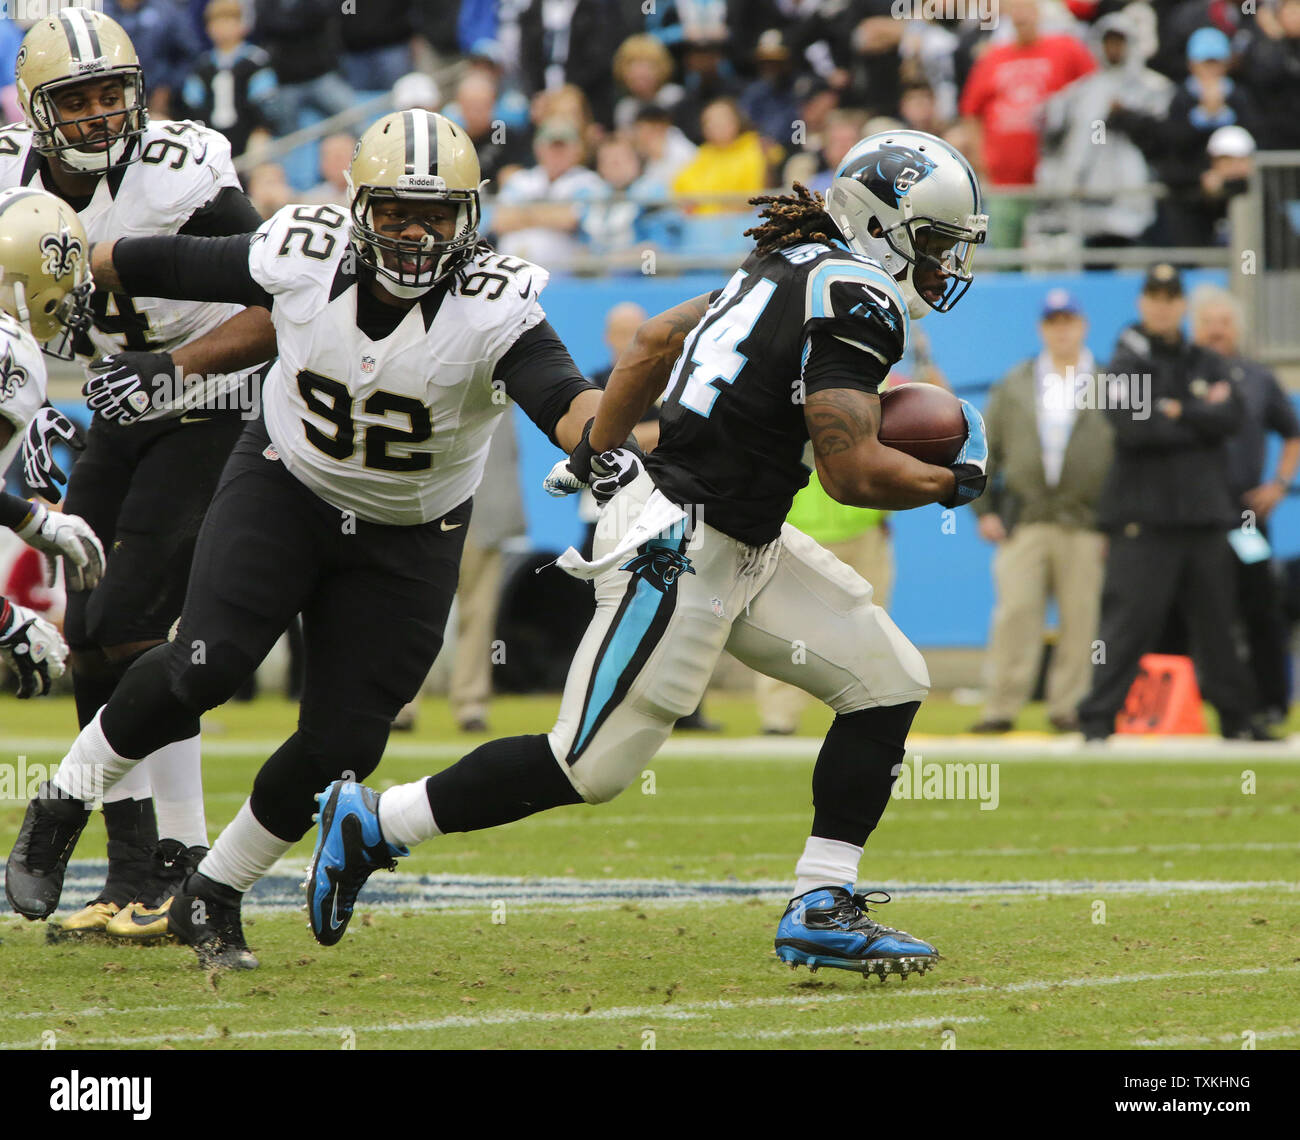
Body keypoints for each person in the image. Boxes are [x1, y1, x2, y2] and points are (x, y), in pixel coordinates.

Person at [307, 130, 991, 980]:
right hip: (682, 543)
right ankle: (377, 820)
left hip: (743, 538)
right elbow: (850, 472)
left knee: (889, 681)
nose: (939, 265)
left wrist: (597, 449)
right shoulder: (855, 294)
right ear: (885, 223)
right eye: (931, 242)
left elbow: (651, 342)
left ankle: (822, 901)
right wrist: (954, 479)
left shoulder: (781, 264)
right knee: (588, 764)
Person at [7, 109, 605, 971]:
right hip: (285, 484)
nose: (414, 233)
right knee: (204, 664)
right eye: (397, 210)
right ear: (360, 206)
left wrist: (603, 442)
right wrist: (60, 258)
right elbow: (168, 259)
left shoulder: (494, 303)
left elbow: (560, 391)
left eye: (436, 215)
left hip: (410, 533)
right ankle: (59, 806)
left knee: (347, 744)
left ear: (469, 219)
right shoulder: (302, 250)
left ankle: (213, 895)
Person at [3, 9, 276, 941]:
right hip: (117, 399)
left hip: (212, 388)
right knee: (87, 630)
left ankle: (174, 860)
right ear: (36, 111)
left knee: (130, 624)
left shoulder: (183, 169)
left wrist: (173, 370)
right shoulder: (7, 172)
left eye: (109, 94)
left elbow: (284, 297)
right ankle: (136, 869)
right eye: (72, 100)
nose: (95, 115)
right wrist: (30, 407)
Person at [1076, 264, 1266, 742]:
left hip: (1204, 518)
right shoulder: (1120, 364)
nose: (1162, 305)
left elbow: (1233, 416)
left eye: (1171, 297)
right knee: (1127, 625)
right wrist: (1196, 413)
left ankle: (1238, 721)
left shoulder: (1204, 358)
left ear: (1182, 306)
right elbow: (1136, 428)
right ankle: (1097, 721)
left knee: (1219, 626)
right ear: (1143, 303)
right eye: (1154, 296)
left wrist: (1174, 408)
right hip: (1143, 521)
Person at [971, 289, 1113, 734]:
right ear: (1042, 328)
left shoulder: (1110, 383)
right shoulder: (1015, 383)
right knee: (1015, 613)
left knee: (1081, 618)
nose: (1062, 329)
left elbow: (1128, 459)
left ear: (1084, 325)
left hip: (1086, 522)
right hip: (1026, 521)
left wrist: (1116, 521)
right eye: (1054, 321)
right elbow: (985, 448)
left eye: (1069, 320)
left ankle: (1069, 705)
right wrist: (983, 510)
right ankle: (1000, 706)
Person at [1191, 285, 1300, 726]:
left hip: (1244, 514)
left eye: (1225, 322)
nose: (1217, 331)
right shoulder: (1181, 374)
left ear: (1237, 328)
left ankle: (1271, 700)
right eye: (1209, 323)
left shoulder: (1256, 378)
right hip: (1194, 513)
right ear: (1195, 328)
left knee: (1258, 603)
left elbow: (1293, 431)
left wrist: (1278, 483)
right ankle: (1194, 700)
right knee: (1197, 607)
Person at [178, 0, 277, 160]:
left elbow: (265, 102)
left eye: (228, 21)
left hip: (248, 133)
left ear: (241, 25)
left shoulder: (255, 61)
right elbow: (192, 104)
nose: (222, 28)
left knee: (260, 147)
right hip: (213, 137)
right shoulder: (203, 67)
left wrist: (261, 130)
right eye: (216, 22)